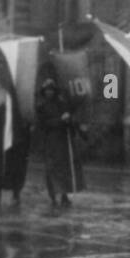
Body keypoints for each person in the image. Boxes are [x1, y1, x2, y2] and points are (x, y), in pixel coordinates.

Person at [36, 77, 85, 208]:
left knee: (64, 169)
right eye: (47, 90)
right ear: (44, 92)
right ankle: (53, 197)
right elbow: (44, 124)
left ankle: (64, 195)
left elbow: (69, 119)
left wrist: (69, 120)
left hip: (62, 142)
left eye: (51, 90)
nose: (49, 92)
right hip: (50, 141)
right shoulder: (41, 107)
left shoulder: (61, 104)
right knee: (51, 170)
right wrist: (60, 120)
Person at [0, 97, 31, 209]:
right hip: (1, 147)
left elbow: (26, 129)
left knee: (16, 172)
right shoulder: (0, 110)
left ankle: (16, 196)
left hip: (16, 148)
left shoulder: (20, 112)